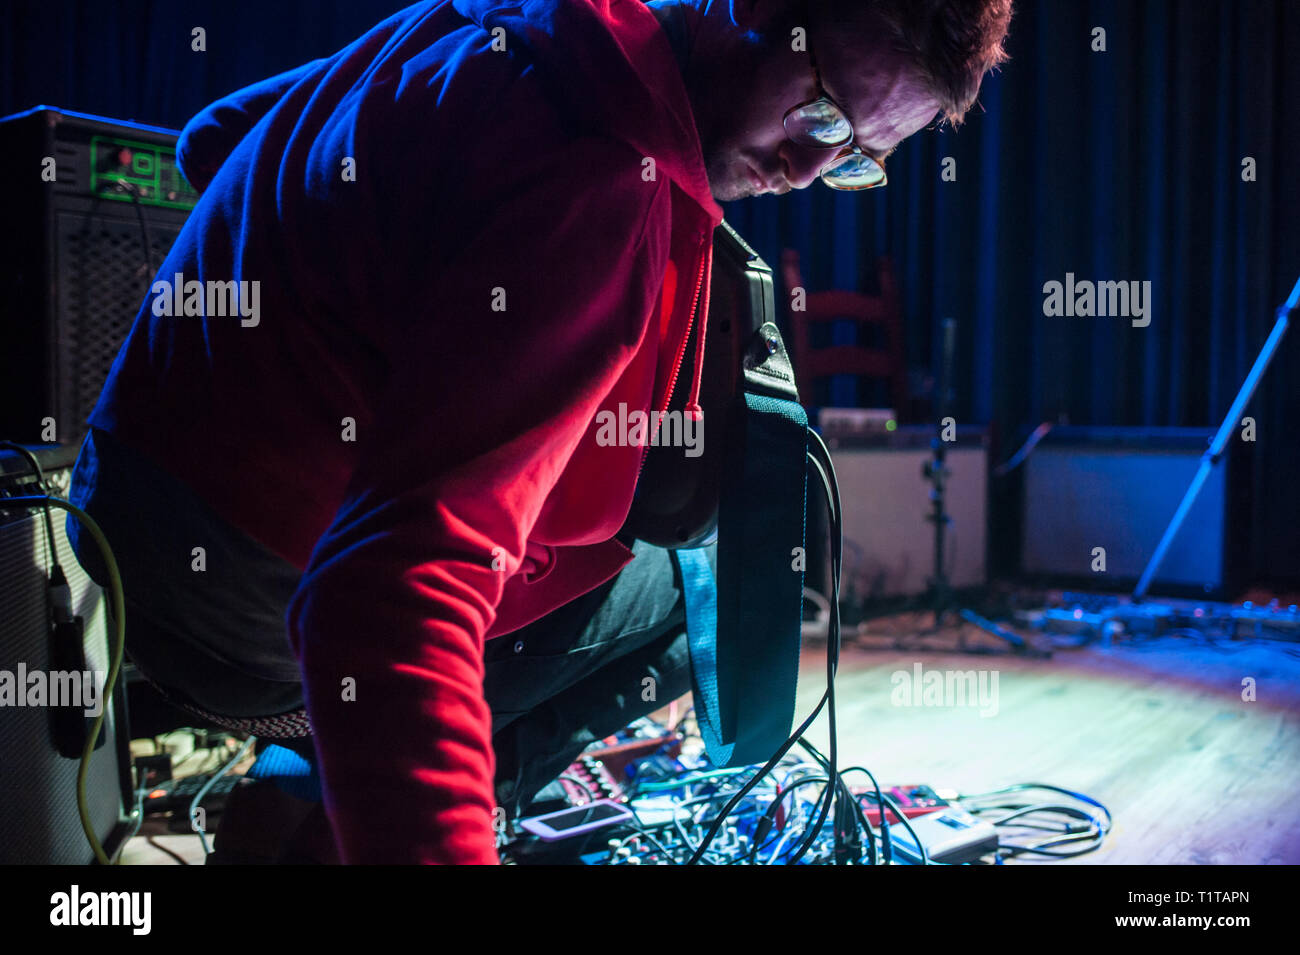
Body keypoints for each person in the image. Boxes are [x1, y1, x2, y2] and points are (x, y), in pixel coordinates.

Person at [68, 0, 1012, 864]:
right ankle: (357, 815)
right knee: (719, 566)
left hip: (114, 516)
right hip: (244, 605)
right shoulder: (600, 178)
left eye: (854, 157)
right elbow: (383, 590)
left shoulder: (513, 20)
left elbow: (210, 138)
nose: (806, 170)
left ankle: (320, 789)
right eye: (820, 115)